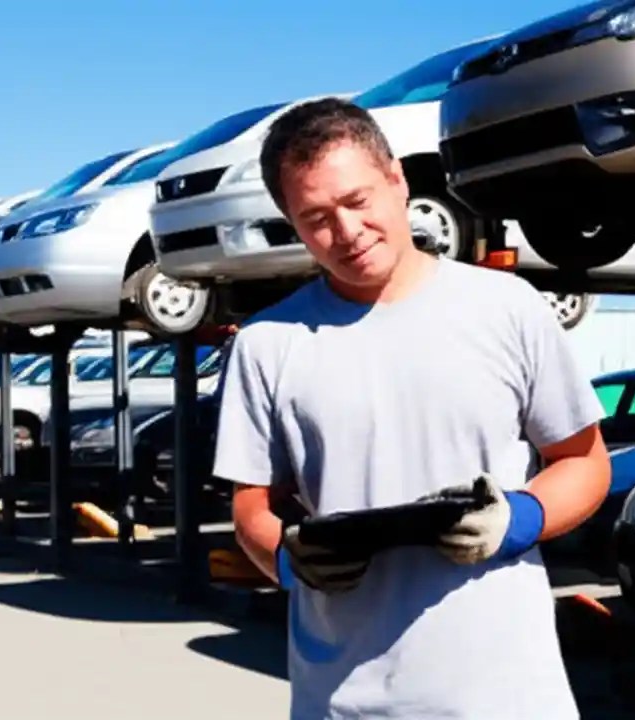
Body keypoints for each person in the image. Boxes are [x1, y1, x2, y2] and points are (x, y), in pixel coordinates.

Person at [212, 97, 612, 719]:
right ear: (291, 223)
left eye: (356, 201)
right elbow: (250, 509)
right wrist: (289, 557)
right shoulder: (267, 343)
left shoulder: (508, 307)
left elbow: (585, 462)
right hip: (342, 700)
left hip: (505, 695)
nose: (346, 233)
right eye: (315, 217)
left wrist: (520, 519)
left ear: (397, 178)